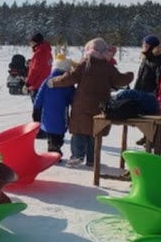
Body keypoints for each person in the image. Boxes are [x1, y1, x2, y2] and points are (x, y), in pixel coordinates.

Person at [49, 38, 133, 167]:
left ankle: (77, 156)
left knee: (79, 130)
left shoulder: (84, 64)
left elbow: (70, 77)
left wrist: (53, 81)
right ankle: (92, 159)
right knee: (95, 131)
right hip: (101, 104)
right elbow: (119, 81)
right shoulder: (108, 66)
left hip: (82, 104)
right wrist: (129, 75)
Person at [33, 57, 75, 155]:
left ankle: (52, 148)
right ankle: (56, 148)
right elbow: (72, 97)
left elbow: (40, 95)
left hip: (48, 113)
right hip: (61, 113)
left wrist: (36, 107)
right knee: (59, 133)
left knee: (50, 132)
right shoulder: (67, 83)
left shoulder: (47, 80)